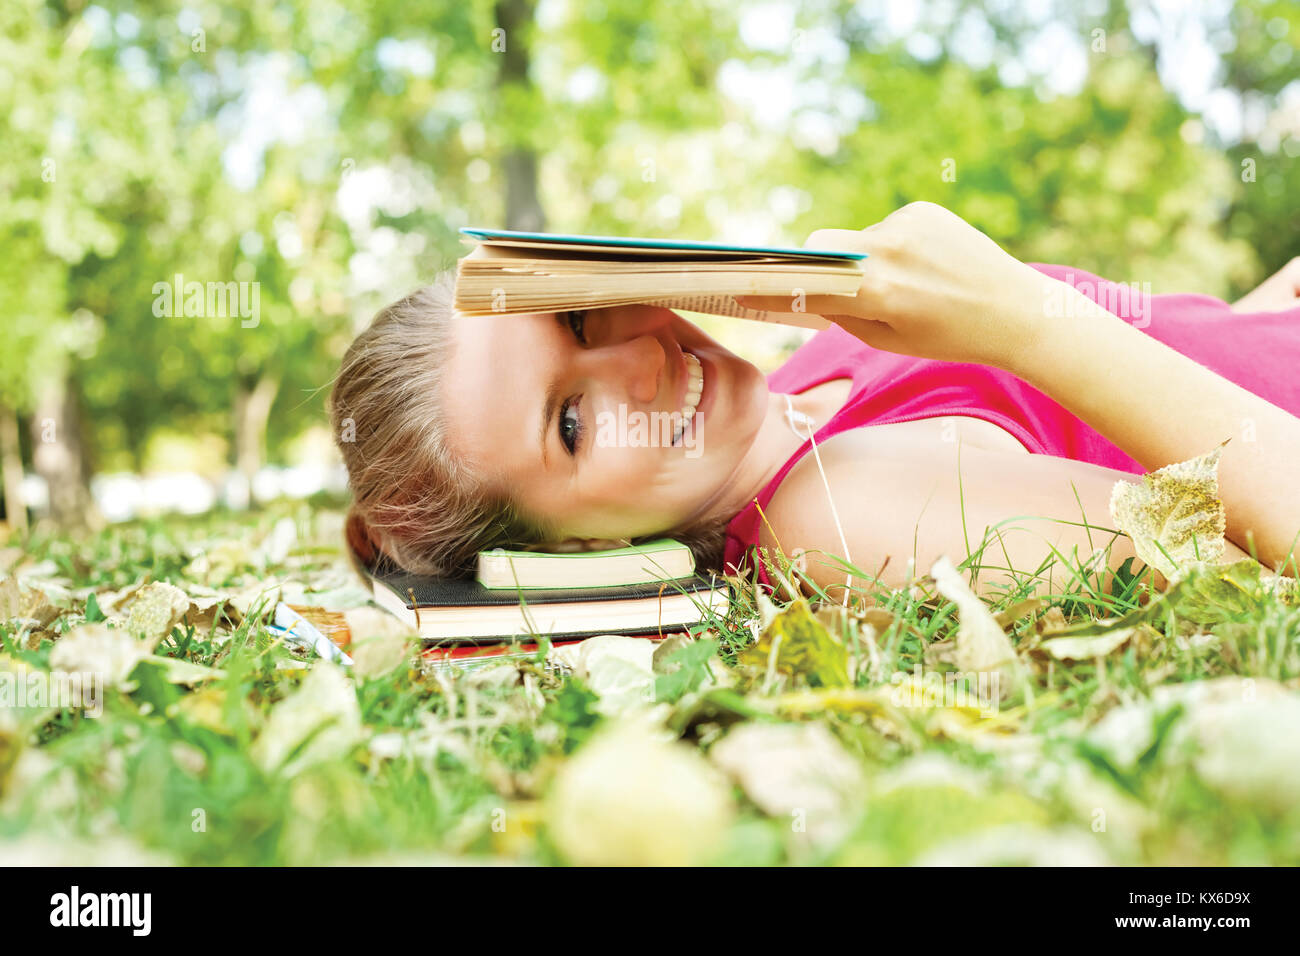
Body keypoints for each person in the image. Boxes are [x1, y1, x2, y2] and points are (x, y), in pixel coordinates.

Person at [330, 202, 1300, 600]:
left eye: (580, 320)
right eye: (571, 423)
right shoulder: (832, 513)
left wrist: (1254, 315)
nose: (638, 361)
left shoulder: (801, 388)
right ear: (574, 547)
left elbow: (1159, 375)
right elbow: (1244, 547)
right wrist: (1018, 314)